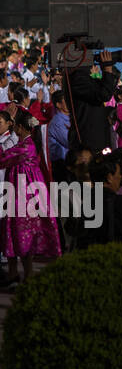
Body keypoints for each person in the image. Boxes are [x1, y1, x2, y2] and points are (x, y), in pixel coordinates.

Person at [1, 111, 62, 284]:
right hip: (21, 192)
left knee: (23, 231)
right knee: (14, 229)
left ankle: (26, 274)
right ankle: (15, 273)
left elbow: (2, 158)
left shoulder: (25, 147)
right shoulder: (25, 144)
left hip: (25, 195)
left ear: (19, 128)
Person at [63, 48, 121, 156]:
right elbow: (104, 95)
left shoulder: (83, 78)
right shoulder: (77, 79)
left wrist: (107, 71)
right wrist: (107, 69)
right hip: (88, 142)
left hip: (94, 138)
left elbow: (104, 89)